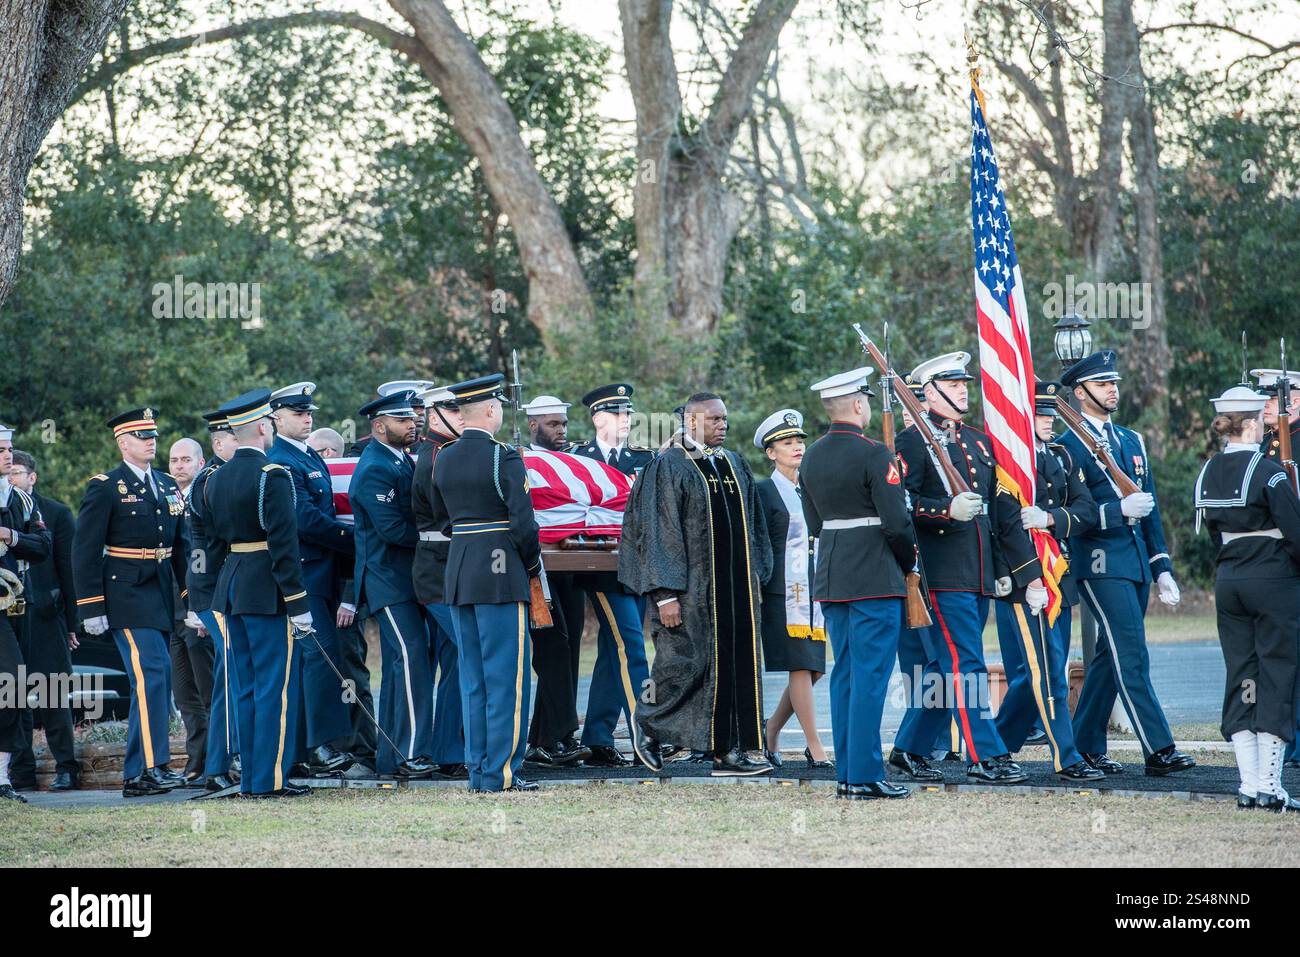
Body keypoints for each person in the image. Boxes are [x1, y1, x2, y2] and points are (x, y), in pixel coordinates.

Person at [889, 352, 1029, 784]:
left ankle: (908, 749)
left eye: (964, 383)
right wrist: (945, 508)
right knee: (966, 664)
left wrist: (1004, 567)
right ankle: (983, 755)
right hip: (943, 572)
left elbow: (995, 509)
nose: (963, 389)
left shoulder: (979, 441)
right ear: (928, 393)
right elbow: (903, 506)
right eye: (952, 384)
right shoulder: (913, 442)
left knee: (943, 667)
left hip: (979, 570)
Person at [619, 392, 774, 776]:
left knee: (734, 668)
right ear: (690, 422)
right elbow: (658, 532)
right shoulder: (669, 466)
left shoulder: (733, 464)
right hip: (689, 593)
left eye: (724, 419)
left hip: (735, 592)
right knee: (681, 665)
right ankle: (648, 726)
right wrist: (665, 594)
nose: (723, 426)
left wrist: (756, 575)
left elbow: (754, 526)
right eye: (714, 420)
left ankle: (727, 752)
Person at [1058, 350, 1195, 777]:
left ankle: (1086, 744)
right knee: (1131, 654)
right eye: (1102, 385)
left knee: (1108, 658)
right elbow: (1071, 513)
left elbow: (1149, 509)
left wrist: (1162, 566)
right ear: (1080, 393)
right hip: (1098, 563)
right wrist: (1117, 510)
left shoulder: (1131, 441)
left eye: (1113, 383)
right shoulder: (1067, 448)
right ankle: (1159, 748)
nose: (1112, 390)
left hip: (1133, 562)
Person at [798, 375, 916, 800]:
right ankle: (865, 775)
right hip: (873, 578)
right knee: (870, 678)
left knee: (847, 675)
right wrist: (909, 562)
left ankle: (848, 774)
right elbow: (898, 523)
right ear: (859, 407)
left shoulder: (810, 456)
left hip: (832, 576)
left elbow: (814, 523)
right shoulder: (875, 453)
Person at [425, 374, 543, 792]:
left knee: (473, 681)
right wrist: (530, 568)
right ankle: (503, 773)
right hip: (500, 576)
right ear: (491, 411)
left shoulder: (445, 457)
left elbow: (441, 519)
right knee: (506, 679)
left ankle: (479, 771)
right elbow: (524, 527)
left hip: (459, 572)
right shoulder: (504, 457)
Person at [990, 383, 1105, 782]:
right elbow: (1005, 526)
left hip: (1059, 577)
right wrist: (1030, 577)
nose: (1048, 421)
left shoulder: (1059, 456)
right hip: (1029, 583)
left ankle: (993, 746)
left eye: (1050, 414)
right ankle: (1066, 757)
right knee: (1049, 672)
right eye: (1040, 415)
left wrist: (1050, 518)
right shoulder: (1007, 462)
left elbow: (1086, 509)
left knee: (1039, 672)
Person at [72, 407, 189, 798]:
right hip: (124, 593)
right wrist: (90, 607)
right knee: (152, 673)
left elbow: (182, 548)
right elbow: (84, 550)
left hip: (158, 591)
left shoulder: (167, 484)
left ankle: (144, 769)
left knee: (155, 678)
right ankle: (147, 769)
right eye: (141, 436)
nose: (150, 441)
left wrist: (191, 598)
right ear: (123, 443)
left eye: (153, 435)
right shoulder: (106, 486)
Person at [1194, 385, 1300, 811]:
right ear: (1254, 422)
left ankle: (1248, 784)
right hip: (1272, 580)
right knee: (1276, 674)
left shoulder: (1208, 470)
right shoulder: (1269, 471)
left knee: (1243, 676)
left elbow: (1210, 531)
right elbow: (1294, 529)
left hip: (1229, 580)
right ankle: (1271, 787)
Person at [204, 389, 313, 799]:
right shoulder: (273, 475)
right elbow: (284, 547)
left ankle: (251, 778)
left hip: (232, 588)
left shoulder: (216, 478)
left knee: (247, 687)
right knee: (273, 687)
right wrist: (298, 604)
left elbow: (215, 543)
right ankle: (269, 781)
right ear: (264, 428)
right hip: (267, 590)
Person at [268, 382, 356, 776]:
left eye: (309, 413)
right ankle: (316, 746)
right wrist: (353, 540)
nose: (307, 419)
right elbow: (303, 519)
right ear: (277, 419)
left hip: (323, 573)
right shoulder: (283, 460)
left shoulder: (305, 455)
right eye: (298, 414)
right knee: (316, 661)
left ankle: (311, 746)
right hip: (305, 573)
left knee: (320, 659)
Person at [349, 390, 437, 779]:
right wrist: (437, 535)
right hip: (389, 582)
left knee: (405, 666)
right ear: (379, 426)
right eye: (403, 421)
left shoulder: (398, 460)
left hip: (404, 580)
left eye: (412, 418)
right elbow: (392, 529)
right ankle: (410, 754)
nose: (412, 424)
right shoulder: (374, 468)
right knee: (412, 660)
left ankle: (392, 755)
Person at [570, 384, 657, 769]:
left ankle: (599, 737)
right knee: (631, 647)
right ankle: (647, 733)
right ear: (598, 418)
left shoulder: (644, 458)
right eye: (618, 414)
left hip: (636, 565)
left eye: (628, 413)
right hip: (600, 568)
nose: (627, 420)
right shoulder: (577, 458)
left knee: (612, 649)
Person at [752, 409, 831, 770]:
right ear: (771, 452)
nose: (797, 446)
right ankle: (816, 748)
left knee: (814, 669)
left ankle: (769, 731)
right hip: (782, 594)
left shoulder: (812, 486)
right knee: (801, 665)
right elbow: (757, 544)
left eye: (799, 440)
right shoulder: (763, 491)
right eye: (787, 443)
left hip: (815, 590)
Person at [517, 395, 591, 768]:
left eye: (563, 424)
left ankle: (549, 738)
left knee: (569, 649)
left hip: (570, 568)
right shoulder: (518, 461)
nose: (561, 431)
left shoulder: (574, 462)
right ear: (533, 426)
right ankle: (554, 736)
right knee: (552, 650)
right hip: (536, 569)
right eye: (552, 424)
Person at [7, 450, 79, 792]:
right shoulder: (5, 509)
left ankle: (67, 767)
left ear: (32, 477)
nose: (12, 477)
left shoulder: (55, 513)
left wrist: (73, 624)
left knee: (53, 695)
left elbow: (69, 570)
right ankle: (20, 772)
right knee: (13, 693)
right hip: (12, 614)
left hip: (48, 615)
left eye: (18, 472)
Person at [309, 426, 378, 769]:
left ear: (333, 455)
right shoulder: (318, 485)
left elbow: (358, 546)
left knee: (350, 669)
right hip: (322, 592)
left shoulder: (344, 482)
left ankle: (363, 744)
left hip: (346, 597)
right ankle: (335, 742)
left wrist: (350, 599)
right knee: (327, 670)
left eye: (318, 452)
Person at [410, 385, 468, 777]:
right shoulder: (436, 457)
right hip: (437, 570)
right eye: (454, 410)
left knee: (456, 660)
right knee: (468, 653)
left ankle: (450, 750)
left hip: (447, 568)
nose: (462, 416)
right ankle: (452, 748)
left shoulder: (442, 454)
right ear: (434, 416)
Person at [187, 410, 241, 792]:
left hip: (222, 586)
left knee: (233, 671)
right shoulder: (212, 480)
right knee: (229, 673)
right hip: (213, 588)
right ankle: (219, 764)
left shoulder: (222, 476)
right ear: (218, 444)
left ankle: (227, 759)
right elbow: (224, 535)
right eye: (235, 438)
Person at [1250, 368, 1300, 767]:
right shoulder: (1265, 445)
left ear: (1294, 400)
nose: (1263, 404)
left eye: (1272, 397)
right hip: (1274, 565)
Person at [0, 426, 51, 804]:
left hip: (18, 603)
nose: (7, 455)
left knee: (14, 688)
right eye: (1, 449)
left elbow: (42, 546)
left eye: (10, 448)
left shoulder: (20, 498)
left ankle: (3, 777)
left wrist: (10, 537)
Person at [168, 437, 214, 783]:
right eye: (173, 460)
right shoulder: (163, 500)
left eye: (186, 459)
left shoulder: (206, 495)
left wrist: (200, 606)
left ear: (200, 464)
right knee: (185, 694)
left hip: (199, 609)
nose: (179, 466)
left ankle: (218, 760)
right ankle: (196, 761)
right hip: (169, 611)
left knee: (209, 690)